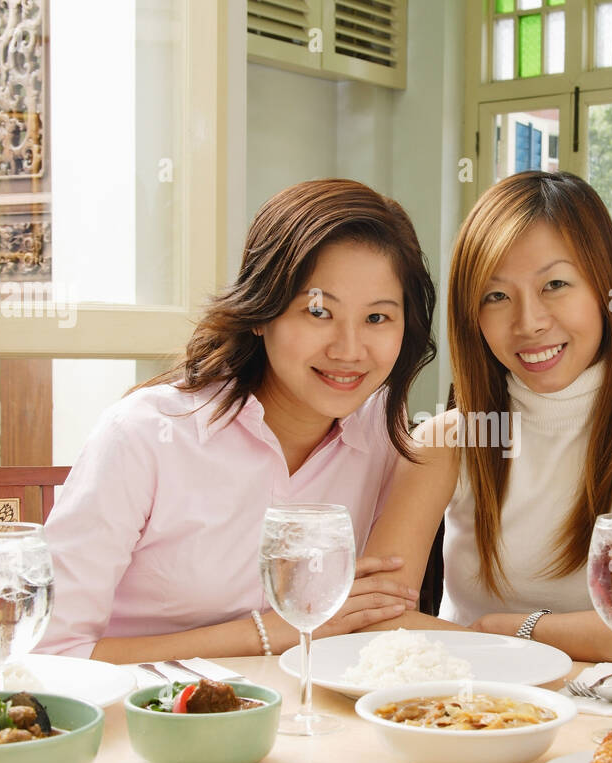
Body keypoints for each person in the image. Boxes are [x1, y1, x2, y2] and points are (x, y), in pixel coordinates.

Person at [36, 179, 436, 663]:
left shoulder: (383, 436)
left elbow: (373, 623)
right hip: (142, 722)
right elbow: (49, 653)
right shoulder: (145, 435)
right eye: (318, 312)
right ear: (260, 312)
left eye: (377, 319)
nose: (349, 350)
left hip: (304, 725)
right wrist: (265, 634)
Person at [363, 171, 612, 668]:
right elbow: (375, 617)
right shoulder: (447, 440)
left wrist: (506, 628)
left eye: (555, 284)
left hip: (597, 716)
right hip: (463, 707)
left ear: (606, 289)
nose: (529, 322)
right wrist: (509, 646)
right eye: (496, 295)